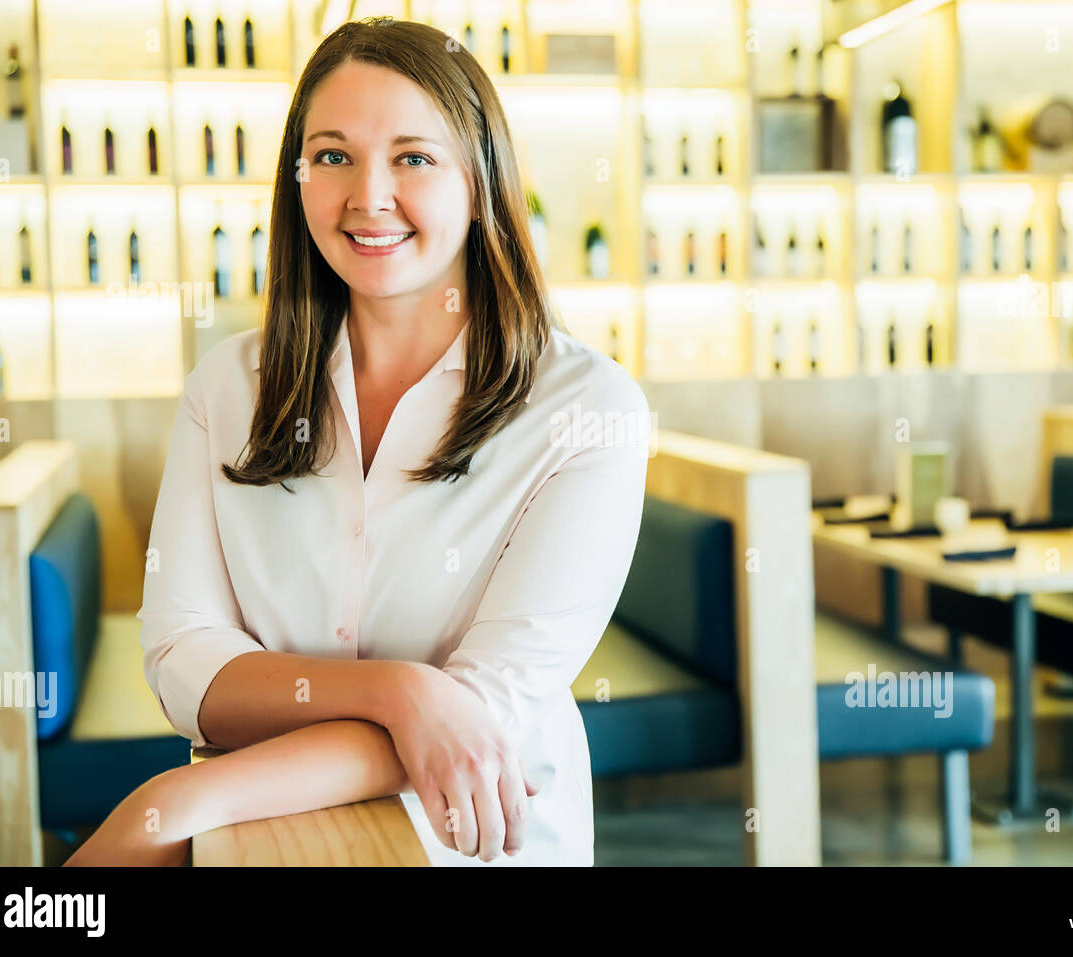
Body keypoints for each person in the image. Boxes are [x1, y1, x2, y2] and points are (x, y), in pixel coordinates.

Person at [65, 17, 650, 867]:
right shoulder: (226, 387)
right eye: (333, 155)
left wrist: (176, 798)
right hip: (263, 837)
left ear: (480, 179)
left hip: (470, 844)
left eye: (413, 156)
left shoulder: (588, 409)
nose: (368, 196)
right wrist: (402, 691)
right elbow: (184, 660)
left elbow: (481, 712)